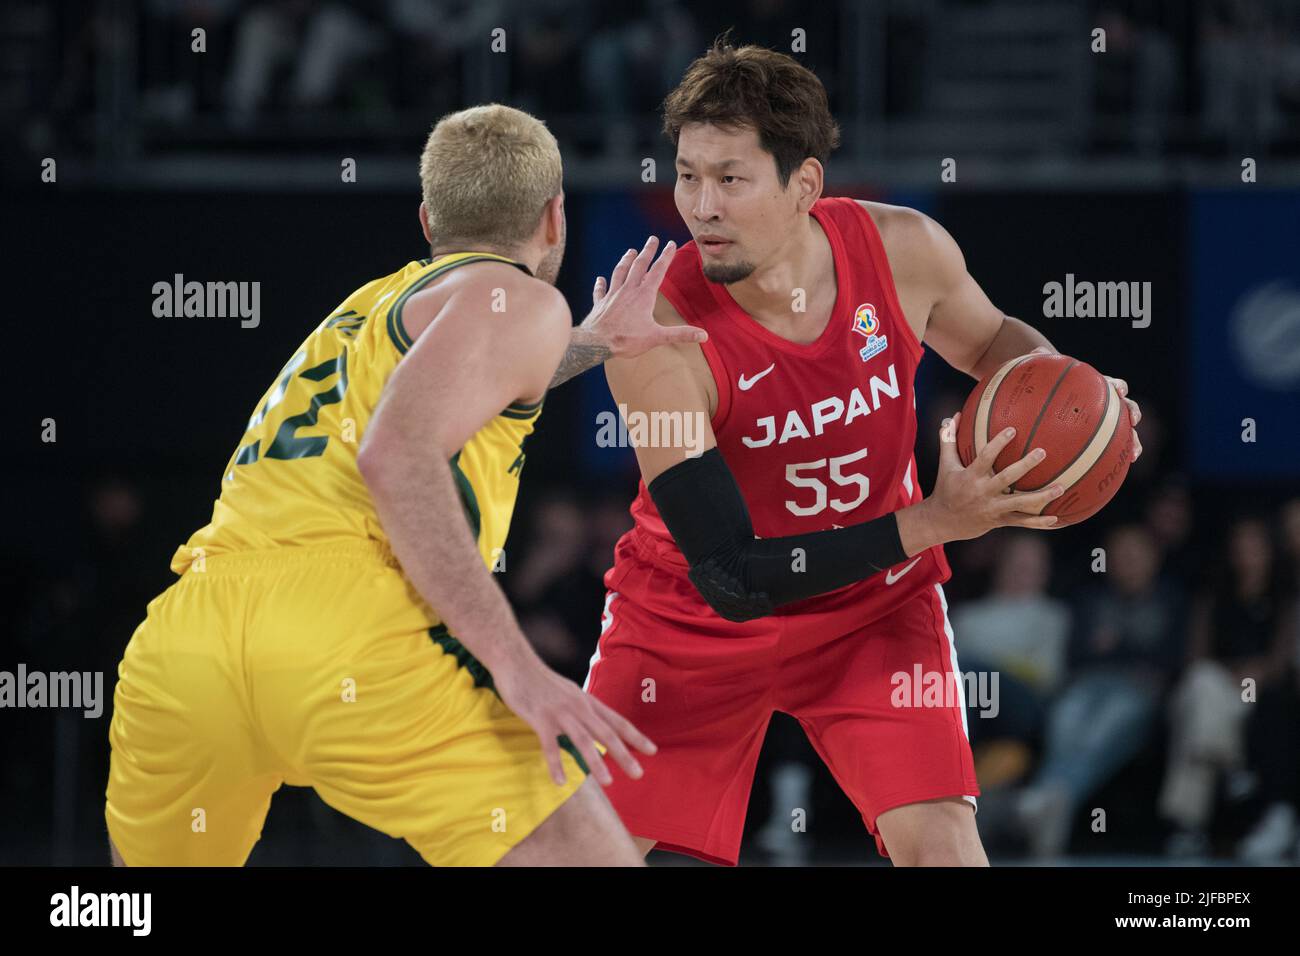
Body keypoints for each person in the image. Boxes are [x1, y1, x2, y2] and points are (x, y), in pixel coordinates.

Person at [564, 41, 1144, 866]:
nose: (700, 206)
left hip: (875, 609)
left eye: (731, 178)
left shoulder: (905, 251)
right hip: (691, 619)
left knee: (944, 847)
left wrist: (1078, 401)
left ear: (805, 185)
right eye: (686, 175)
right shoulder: (656, 334)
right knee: (582, 856)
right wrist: (933, 521)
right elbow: (730, 574)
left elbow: (996, 347)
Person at [104, 104, 692, 867]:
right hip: (347, 628)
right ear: (554, 217)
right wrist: (519, 670)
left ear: (427, 219)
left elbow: (463, 381)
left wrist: (591, 342)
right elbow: (398, 452)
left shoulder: (364, 308)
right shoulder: (520, 298)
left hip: (189, 636)